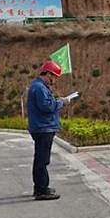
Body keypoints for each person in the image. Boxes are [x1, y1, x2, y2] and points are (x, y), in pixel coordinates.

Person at [27, 61, 70, 200]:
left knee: (41, 159)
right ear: (48, 74)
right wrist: (61, 102)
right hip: (43, 127)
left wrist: (56, 101)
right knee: (42, 160)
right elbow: (46, 107)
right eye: (55, 77)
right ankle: (41, 190)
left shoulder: (39, 86)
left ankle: (41, 187)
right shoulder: (39, 87)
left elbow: (46, 104)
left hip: (42, 127)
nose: (55, 80)